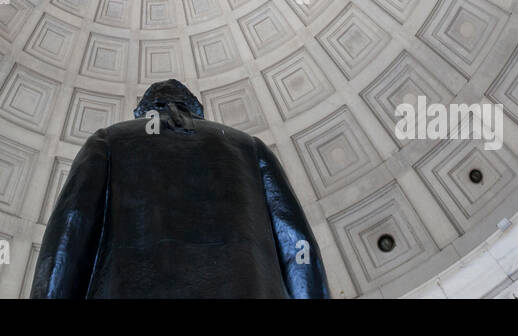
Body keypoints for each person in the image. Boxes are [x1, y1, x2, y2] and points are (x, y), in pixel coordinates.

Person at [30, 79, 330, 298]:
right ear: (196, 108)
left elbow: (68, 240)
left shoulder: (109, 140)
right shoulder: (248, 146)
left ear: (144, 109)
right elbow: (296, 244)